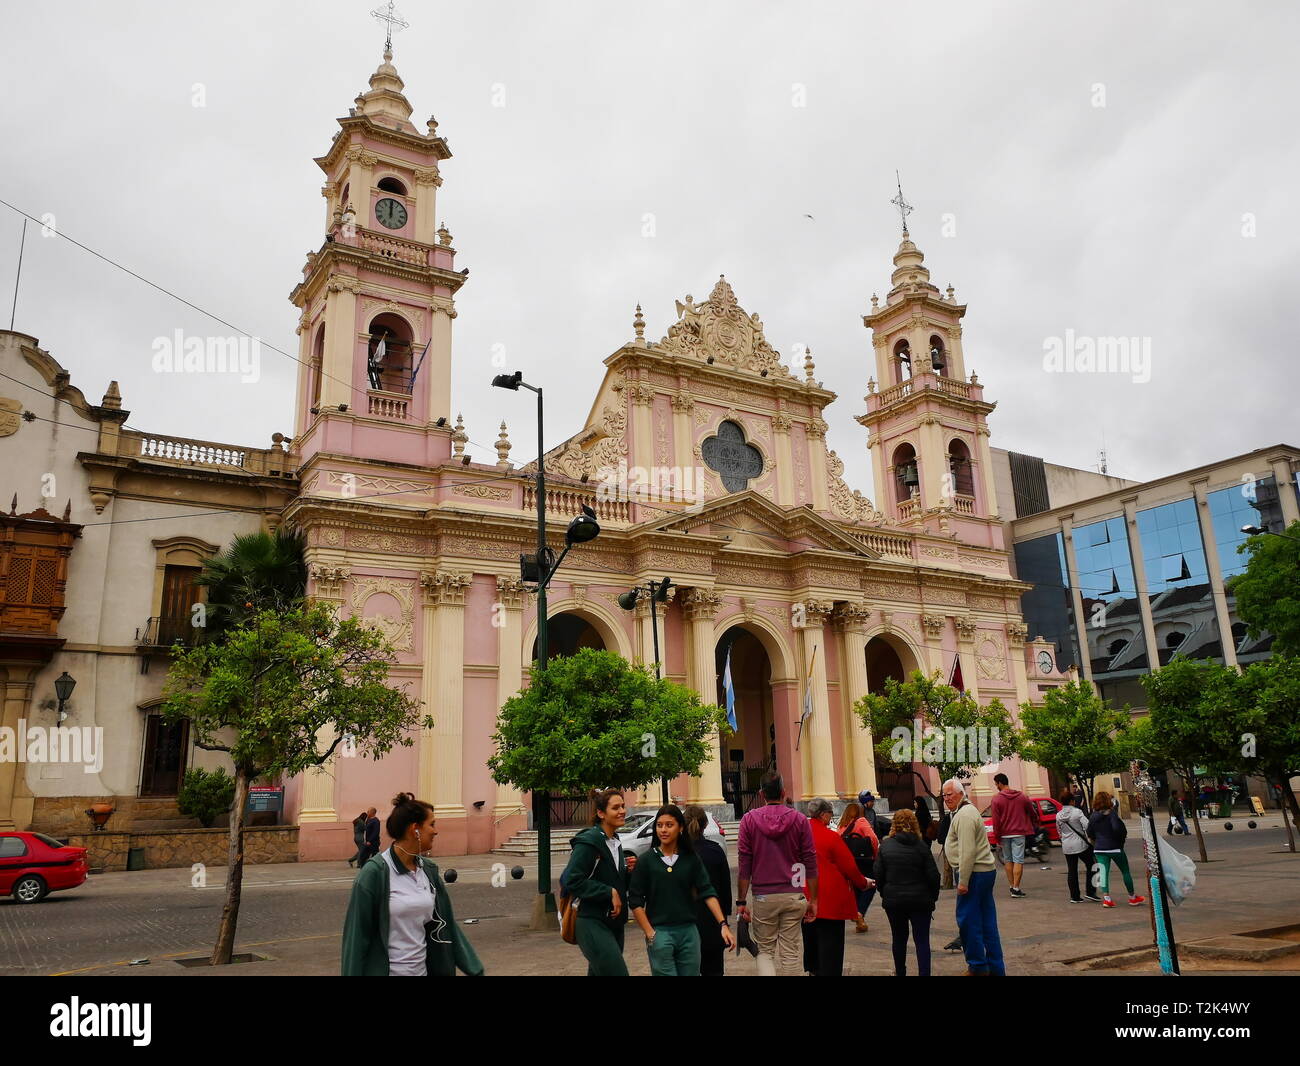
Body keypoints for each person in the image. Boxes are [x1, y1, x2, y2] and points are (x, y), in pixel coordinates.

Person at [341, 792, 483, 976]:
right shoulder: (375, 874)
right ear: (415, 829)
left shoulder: (429, 871)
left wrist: (475, 970)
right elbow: (356, 939)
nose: (436, 831)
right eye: (431, 824)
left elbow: (447, 926)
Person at [630, 804, 735, 975]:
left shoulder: (691, 859)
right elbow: (635, 900)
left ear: (680, 828)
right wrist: (650, 932)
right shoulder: (646, 860)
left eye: (669, 825)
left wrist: (723, 924)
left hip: (688, 932)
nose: (663, 830)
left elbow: (707, 891)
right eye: (659, 825)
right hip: (660, 933)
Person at [737, 772, 819, 977]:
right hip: (793, 892)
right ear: (783, 793)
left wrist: (741, 901)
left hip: (764, 895)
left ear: (761, 794)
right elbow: (810, 861)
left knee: (764, 951)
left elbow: (744, 864)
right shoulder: (800, 820)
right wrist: (814, 899)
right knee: (791, 952)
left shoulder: (748, 820)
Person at [564, 787, 636, 976]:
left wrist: (628, 873)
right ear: (601, 813)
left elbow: (615, 881)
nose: (622, 811)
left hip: (615, 923)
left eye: (623, 806)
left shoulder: (615, 840)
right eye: (615, 808)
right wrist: (608, 891)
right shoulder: (589, 842)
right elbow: (572, 880)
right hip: (592, 921)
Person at [942, 777, 1005, 976]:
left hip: (974, 874)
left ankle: (977, 967)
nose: (946, 798)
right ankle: (995, 969)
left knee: (969, 923)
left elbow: (967, 851)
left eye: (949, 794)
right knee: (987, 923)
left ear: (961, 793)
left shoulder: (965, 815)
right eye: (943, 795)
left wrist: (962, 881)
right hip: (982, 873)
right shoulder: (964, 812)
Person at [802, 798, 870, 975]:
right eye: (830, 814)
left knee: (811, 945)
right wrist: (863, 883)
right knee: (831, 950)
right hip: (829, 901)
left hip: (805, 897)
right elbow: (849, 867)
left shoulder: (800, 835)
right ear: (824, 815)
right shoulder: (831, 837)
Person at [875, 808, 940, 976]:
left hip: (894, 901)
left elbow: (878, 874)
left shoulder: (886, 846)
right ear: (915, 824)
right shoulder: (922, 846)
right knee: (922, 941)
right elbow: (934, 876)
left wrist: (885, 893)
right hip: (920, 900)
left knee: (898, 938)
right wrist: (932, 897)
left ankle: (901, 972)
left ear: (894, 824)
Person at [684, 804, 732, 976]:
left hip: (686, 920)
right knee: (714, 970)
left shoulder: (678, 853)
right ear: (705, 825)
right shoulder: (715, 851)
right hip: (712, 920)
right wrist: (725, 917)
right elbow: (725, 888)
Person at [1087, 791, 1146, 908]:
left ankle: (1107, 899)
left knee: (1103, 872)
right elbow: (1118, 829)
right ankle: (1132, 897)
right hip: (1114, 847)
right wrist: (1120, 840)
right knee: (1125, 871)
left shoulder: (1093, 816)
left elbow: (1089, 832)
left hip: (1099, 848)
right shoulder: (1112, 814)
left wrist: (1096, 841)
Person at [989, 772, 1038, 898]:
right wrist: (1033, 822)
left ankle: (1012, 886)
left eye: (996, 784)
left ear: (1000, 783)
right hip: (1019, 832)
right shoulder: (1021, 796)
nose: (996, 786)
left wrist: (997, 836)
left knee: (1008, 860)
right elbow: (1032, 812)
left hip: (1004, 834)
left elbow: (996, 820)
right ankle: (1016, 887)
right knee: (1018, 860)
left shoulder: (996, 799)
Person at [836, 801, 879, 933]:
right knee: (870, 886)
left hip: (848, 862)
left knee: (855, 887)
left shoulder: (842, 826)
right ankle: (859, 912)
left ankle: (859, 917)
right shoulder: (861, 821)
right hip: (864, 861)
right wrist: (875, 855)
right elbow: (873, 839)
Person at [1056, 790, 1100, 903]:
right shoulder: (1077, 812)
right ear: (1071, 801)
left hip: (1067, 846)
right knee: (1092, 865)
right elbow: (1087, 826)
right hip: (1080, 844)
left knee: (1072, 870)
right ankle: (1091, 892)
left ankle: (1074, 896)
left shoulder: (1058, 815)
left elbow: (1059, 832)